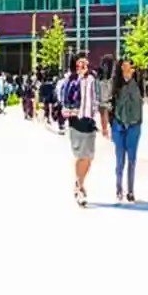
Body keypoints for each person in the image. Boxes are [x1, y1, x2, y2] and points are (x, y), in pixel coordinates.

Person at [59, 53, 103, 206]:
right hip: (76, 120)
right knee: (80, 155)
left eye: (85, 63)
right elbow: (63, 99)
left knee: (89, 157)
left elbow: (99, 97)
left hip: (89, 121)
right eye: (79, 64)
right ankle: (80, 186)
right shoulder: (70, 81)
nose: (83, 66)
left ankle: (79, 183)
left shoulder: (93, 79)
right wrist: (69, 113)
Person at [109, 57, 144, 203]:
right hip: (119, 124)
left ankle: (130, 191)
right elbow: (112, 104)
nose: (127, 69)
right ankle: (118, 188)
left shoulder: (138, 82)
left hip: (134, 125)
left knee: (132, 159)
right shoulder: (116, 83)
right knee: (120, 159)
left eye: (129, 66)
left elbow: (140, 102)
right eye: (124, 66)